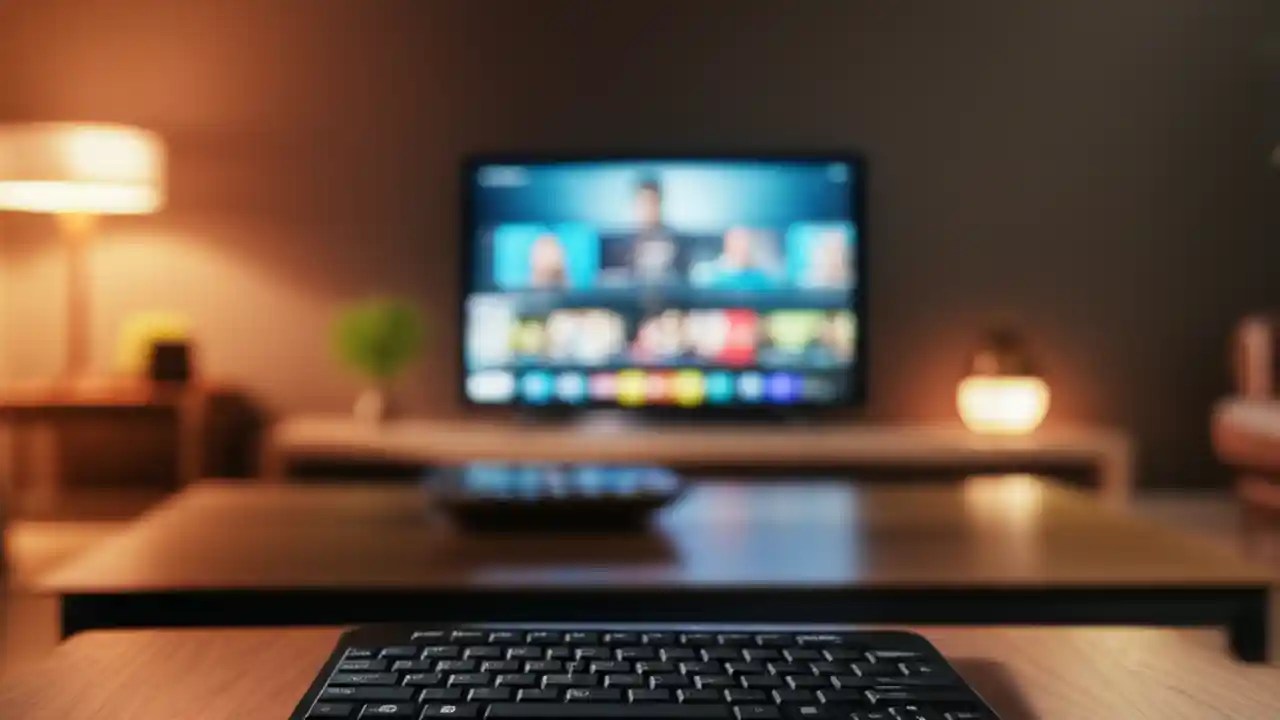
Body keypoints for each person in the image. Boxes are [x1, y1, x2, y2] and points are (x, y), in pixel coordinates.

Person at [626, 178, 681, 283]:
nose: (648, 209)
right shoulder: (626, 242)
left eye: (652, 202)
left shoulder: (677, 240)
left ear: (660, 204)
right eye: (643, 203)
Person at [694, 227, 778, 290]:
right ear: (726, 240)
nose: (741, 245)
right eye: (736, 238)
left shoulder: (761, 279)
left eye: (745, 239)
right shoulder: (706, 274)